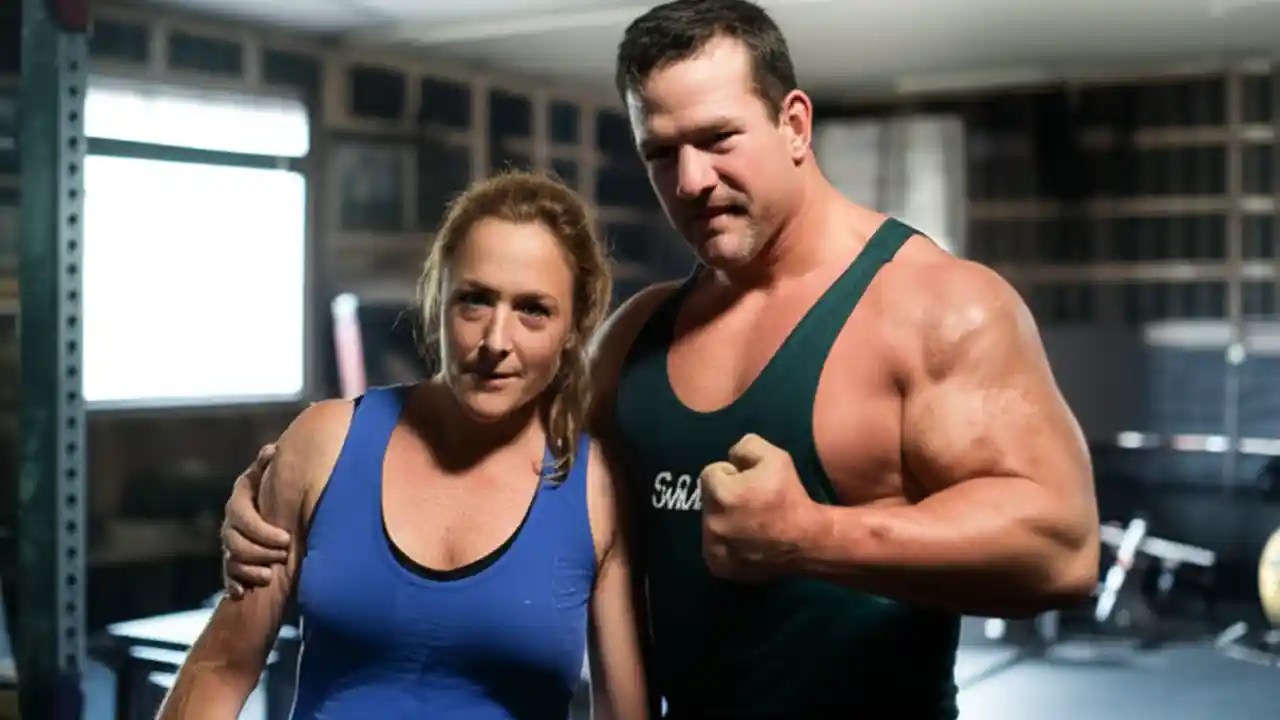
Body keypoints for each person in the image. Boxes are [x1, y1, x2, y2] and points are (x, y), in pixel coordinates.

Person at [222, 1, 1102, 717]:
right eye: (661, 152)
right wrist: (288, 492)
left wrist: (812, 536)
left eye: (718, 139)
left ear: (794, 122)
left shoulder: (938, 305)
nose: (690, 181)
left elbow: (1061, 552)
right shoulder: (640, 334)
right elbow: (495, 446)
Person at [159, 171, 648, 719]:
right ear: (439, 299)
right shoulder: (325, 444)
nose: (495, 341)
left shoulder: (596, 491)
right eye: (475, 301)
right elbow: (220, 671)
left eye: (533, 309)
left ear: (574, 328)